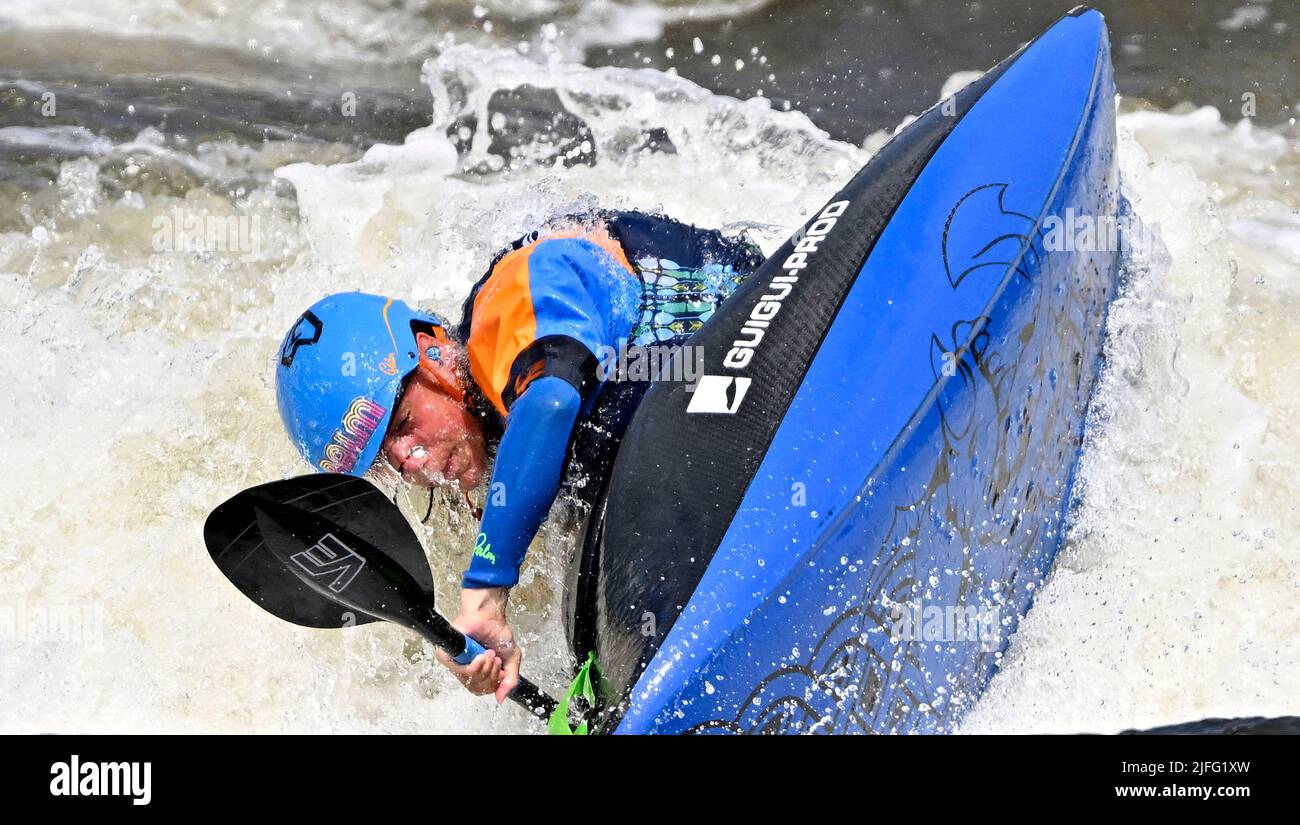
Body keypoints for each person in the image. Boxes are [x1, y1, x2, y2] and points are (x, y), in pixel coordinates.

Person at [275, 210, 763, 703]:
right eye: (386, 461)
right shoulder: (481, 468)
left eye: (402, 424)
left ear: (433, 354)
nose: (412, 461)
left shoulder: (507, 304)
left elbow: (551, 403)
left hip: (771, 357)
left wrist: (485, 590)